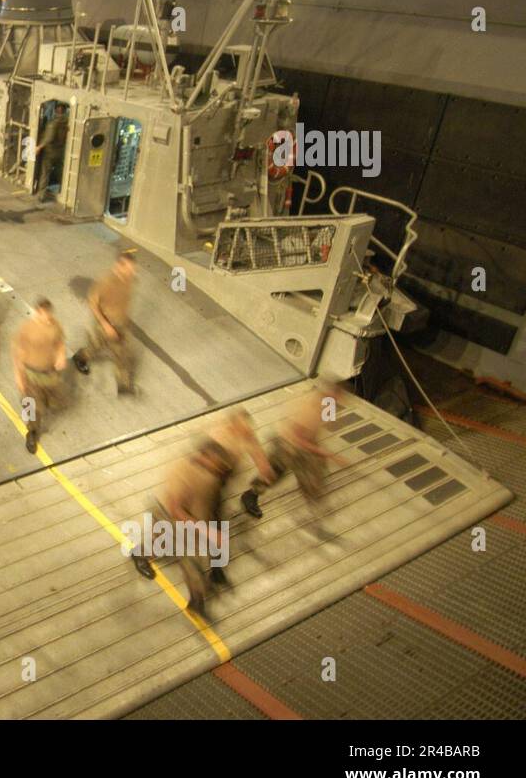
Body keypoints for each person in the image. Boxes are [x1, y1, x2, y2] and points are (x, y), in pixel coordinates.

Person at [130, 409, 276, 617]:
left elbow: (205, 503)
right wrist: (206, 531)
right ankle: (141, 554)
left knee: (192, 557)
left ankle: (198, 599)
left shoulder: (211, 472)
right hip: (169, 514)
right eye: (217, 465)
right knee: (169, 545)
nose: (221, 467)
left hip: (193, 511)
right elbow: (175, 510)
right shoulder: (182, 471)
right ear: (205, 457)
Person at [240, 382, 348, 519]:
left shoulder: (329, 403)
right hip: (287, 444)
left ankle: (315, 499)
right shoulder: (307, 408)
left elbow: (324, 424)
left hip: (305, 443)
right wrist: (326, 453)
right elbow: (298, 439)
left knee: (314, 472)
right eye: (338, 397)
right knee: (273, 473)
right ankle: (251, 495)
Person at [73, 251, 137, 394]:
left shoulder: (129, 279)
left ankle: (124, 386)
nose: (132, 272)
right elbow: (93, 303)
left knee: (122, 354)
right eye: (129, 268)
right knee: (96, 347)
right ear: (119, 266)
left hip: (121, 324)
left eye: (133, 269)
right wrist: (106, 325)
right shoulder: (106, 282)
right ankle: (81, 357)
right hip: (106, 324)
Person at [12, 300, 67, 454]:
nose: (47, 318)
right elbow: (18, 354)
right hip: (32, 374)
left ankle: (44, 403)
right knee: (31, 406)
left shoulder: (55, 325)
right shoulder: (27, 329)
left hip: (50, 373)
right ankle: (32, 432)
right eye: (44, 315)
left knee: (55, 401)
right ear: (37, 313)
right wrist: (19, 376)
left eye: (49, 315)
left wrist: (61, 355)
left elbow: (60, 342)